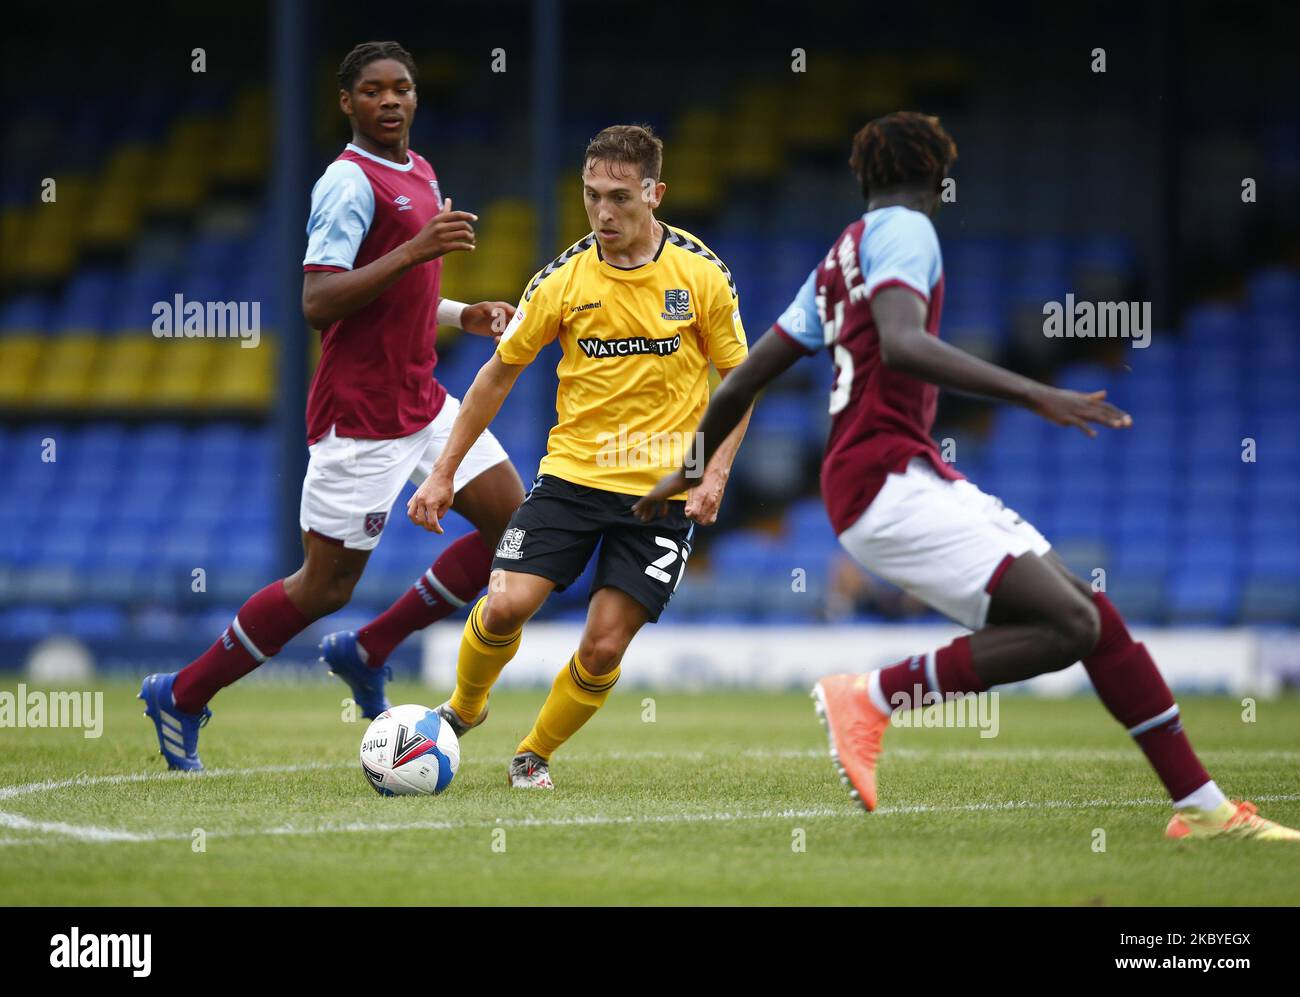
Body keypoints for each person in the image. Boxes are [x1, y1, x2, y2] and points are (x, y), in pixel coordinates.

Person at [635, 111, 1298, 842]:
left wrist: (687, 469)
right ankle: (873, 695)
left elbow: (740, 380)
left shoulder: (837, 259)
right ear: (938, 177)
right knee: (1071, 623)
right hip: (886, 480)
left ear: (864, 175)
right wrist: (1035, 391)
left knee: (1096, 623)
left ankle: (1202, 807)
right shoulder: (907, 230)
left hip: (882, 478)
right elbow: (904, 342)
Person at [140, 41, 525, 771]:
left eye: (402, 88)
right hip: (362, 415)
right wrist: (414, 253)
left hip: (424, 397)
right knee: (322, 586)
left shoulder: (418, 170)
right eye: (373, 90)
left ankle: (369, 646)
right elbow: (319, 299)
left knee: (519, 527)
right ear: (347, 103)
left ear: (415, 97)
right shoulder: (346, 184)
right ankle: (182, 694)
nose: (390, 101)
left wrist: (458, 313)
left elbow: (395, 295)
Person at [406, 124, 752, 789]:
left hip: (661, 495)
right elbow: (496, 375)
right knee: (505, 603)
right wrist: (445, 470)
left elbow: (738, 382)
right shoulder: (562, 278)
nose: (603, 212)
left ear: (656, 193)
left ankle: (532, 754)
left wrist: (715, 471)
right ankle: (464, 708)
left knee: (603, 645)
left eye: (620, 197)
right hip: (571, 477)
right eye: (592, 195)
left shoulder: (701, 274)